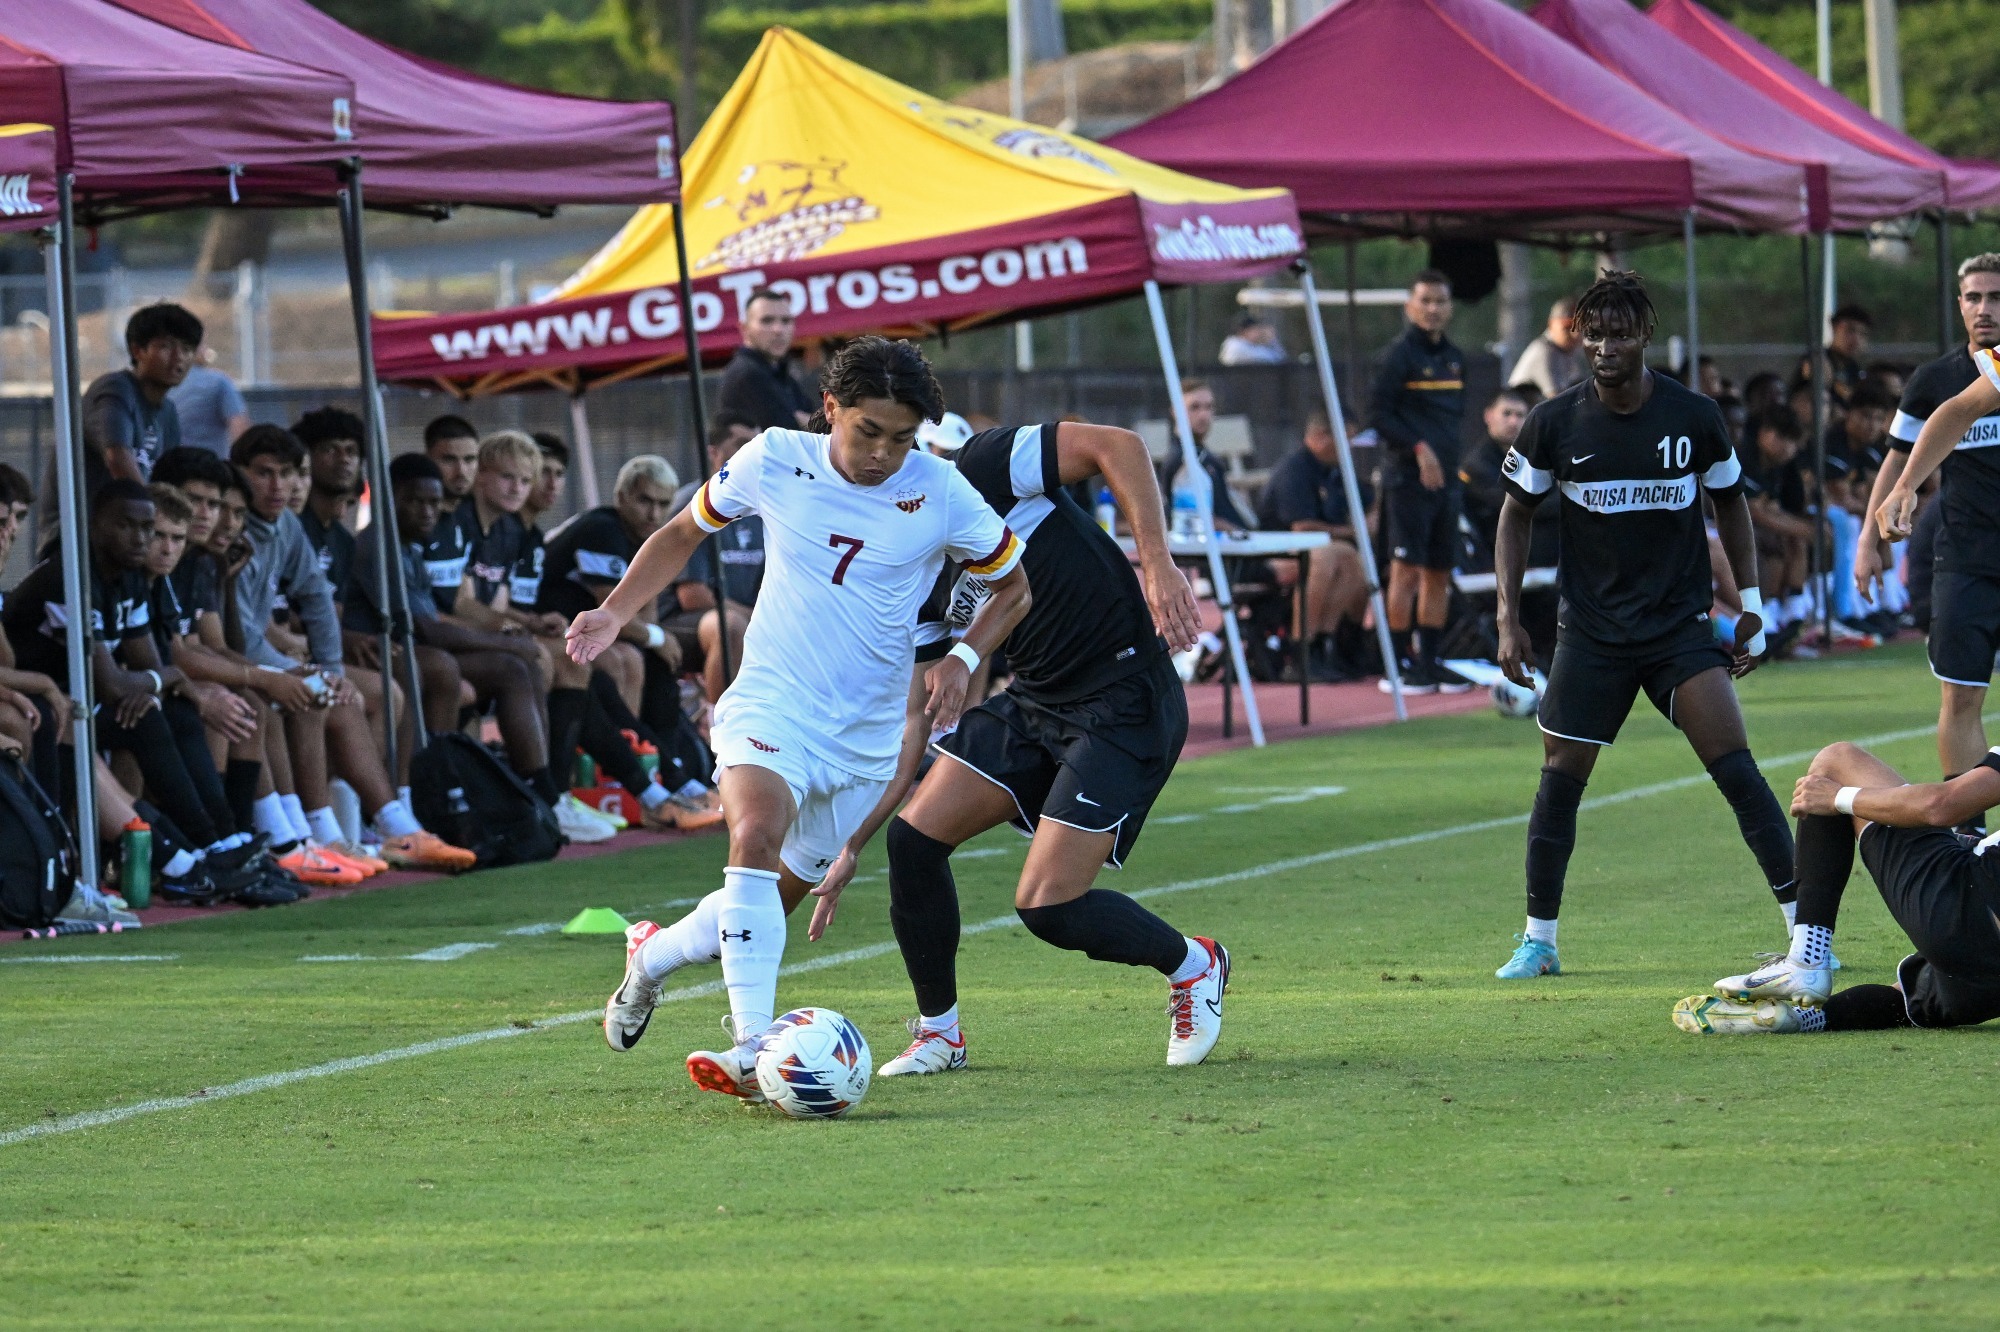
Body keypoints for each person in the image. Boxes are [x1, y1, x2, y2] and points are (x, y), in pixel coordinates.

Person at [585, 335, 1031, 1101]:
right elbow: (684, 532)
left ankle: (651, 957)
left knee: (759, 905)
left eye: (903, 438)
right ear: (831, 409)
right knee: (752, 833)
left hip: (861, 739)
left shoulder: (943, 490)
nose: (885, 454)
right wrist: (614, 609)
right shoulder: (775, 456)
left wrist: (960, 660)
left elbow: (1014, 587)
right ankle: (753, 1047)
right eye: (869, 432)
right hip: (773, 699)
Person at [837, 414, 1228, 1075]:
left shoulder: (986, 465)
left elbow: (1119, 445)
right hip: (1036, 699)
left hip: (1124, 695)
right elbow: (916, 713)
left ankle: (1194, 965)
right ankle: (940, 1034)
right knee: (911, 841)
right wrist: (853, 841)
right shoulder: (904, 570)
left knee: (1048, 907)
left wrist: (1157, 563)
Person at [1491, 271, 1798, 980]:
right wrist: (1508, 618)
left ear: (1645, 336)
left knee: (1738, 770)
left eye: (1620, 332)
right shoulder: (1553, 422)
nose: (1605, 345)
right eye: (1592, 332)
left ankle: (1804, 930)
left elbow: (1732, 508)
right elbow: (1515, 515)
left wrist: (1750, 602)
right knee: (1559, 779)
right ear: (1577, 338)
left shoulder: (1693, 416)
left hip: (1680, 633)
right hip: (1591, 636)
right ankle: (1539, 941)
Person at [232, 426, 472, 873]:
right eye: (264, 473)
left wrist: (328, 666)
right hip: (232, 666)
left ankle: (384, 826)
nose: (279, 485)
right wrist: (298, 668)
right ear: (239, 474)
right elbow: (239, 632)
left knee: (341, 692)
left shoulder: (284, 524)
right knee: (317, 693)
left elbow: (317, 598)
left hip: (260, 659)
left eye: (287, 473)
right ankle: (302, 835)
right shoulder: (234, 528)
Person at [1673, 739, 2000, 1036]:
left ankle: (1806, 961)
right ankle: (1803, 1019)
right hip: (1984, 983)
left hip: (1970, 910)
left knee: (1837, 763)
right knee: (1908, 994)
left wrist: (1837, 798)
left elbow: (1939, 805)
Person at [347, 447, 567, 820]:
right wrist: (507, 640)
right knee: (449, 666)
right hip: (380, 654)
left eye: (434, 503)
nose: (428, 512)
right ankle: (430, 790)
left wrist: (516, 640)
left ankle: (542, 790)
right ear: (388, 498)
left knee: (516, 667)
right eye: (415, 501)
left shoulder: (408, 546)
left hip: (412, 649)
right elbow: (428, 629)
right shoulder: (378, 545)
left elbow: (430, 622)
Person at [1862, 254, 2000, 834]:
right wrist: (1886, 513)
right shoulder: (1950, 376)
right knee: (1961, 695)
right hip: (1965, 555)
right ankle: (1969, 837)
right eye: (1975, 297)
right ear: (1959, 304)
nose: (1986, 309)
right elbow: (1952, 414)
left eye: (1996, 297)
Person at [1372, 269, 1469, 693]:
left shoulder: (1455, 357)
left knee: (1438, 573)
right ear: (1410, 306)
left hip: (1447, 483)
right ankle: (1400, 663)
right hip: (1407, 482)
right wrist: (1418, 448)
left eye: (1440, 301)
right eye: (1425, 301)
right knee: (1405, 572)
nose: (1433, 309)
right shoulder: (1397, 356)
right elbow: (1379, 416)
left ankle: (1430, 661)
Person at [37, 303, 201, 548]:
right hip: (76, 541)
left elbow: (171, 483)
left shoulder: (168, 413)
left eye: (187, 349)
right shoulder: (115, 389)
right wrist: (155, 520)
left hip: (128, 542)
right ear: (137, 350)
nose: (178, 358)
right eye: (166, 346)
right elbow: (117, 458)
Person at [1256, 412, 1371, 681]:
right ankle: (1300, 652)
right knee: (1325, 557)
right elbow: (1300, 527)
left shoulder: (1335, 471)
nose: (1349, 448)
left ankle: (1326, 645)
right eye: (1346, 440)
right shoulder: (1294, 471)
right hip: (1272, 553)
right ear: (1320, 437)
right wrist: (1353, 530)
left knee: (1353, 560)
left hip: (1318, 551)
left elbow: (1368, 500)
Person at [666, 416, 759, 704]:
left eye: (757, 445)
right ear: (714, 453)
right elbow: (693, 596)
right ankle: (718, 730)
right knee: (729, 627)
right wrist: (760, 616)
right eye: (742, 445)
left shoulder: (765, 507)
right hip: (680, 621)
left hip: (747, 617)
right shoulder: (695, 504)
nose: (753, 453)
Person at [1156, 379, 1252, 533]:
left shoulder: (1208, 459)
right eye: (1194, 407)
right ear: (1175, 411)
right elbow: (1188, 518)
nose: (1203, 415)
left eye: (1209, 407)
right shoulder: (1180, 463)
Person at [716, 288, 815, 431]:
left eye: (786, 321)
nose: (778, 329)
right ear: (744, 329)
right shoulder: (746, 374)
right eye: (767, 321)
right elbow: (789, 433)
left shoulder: (783, 376)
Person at [419, 414, 480, 613]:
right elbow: (421, 615)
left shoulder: (466, 517)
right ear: (427, 459)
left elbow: (463, 603)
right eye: (449, 460)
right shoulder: (414, 522)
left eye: (469, 459)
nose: (461, 471)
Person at [167, 358, 251, 457]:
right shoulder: (218, 382)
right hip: (213, 465)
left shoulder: (164, 385)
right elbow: (239, 427)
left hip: (173, 465)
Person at [1508, 296, 1585, 401]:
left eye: (1580, 329)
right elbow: (1557, 400)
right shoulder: (1544, 351)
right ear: (1551, 324)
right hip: (1520, 413)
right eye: (1567, 327)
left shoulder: (1569, 352)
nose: (1575, 334)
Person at [1796, 303, 1872, 406]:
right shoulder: (1817, 360)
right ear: (1834, 327)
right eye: (1850, 330)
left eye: (1863, 334)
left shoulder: (1855, 370)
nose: (1856, 339)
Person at [1219, 312, 1288, 366]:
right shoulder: (1235, 345)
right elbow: (1272, 360)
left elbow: (1281, 361)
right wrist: (1271, 341)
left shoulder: (1250, 346)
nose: (1259, 333)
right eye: (1255, 329)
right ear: (1243, 331)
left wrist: (1272, 341)